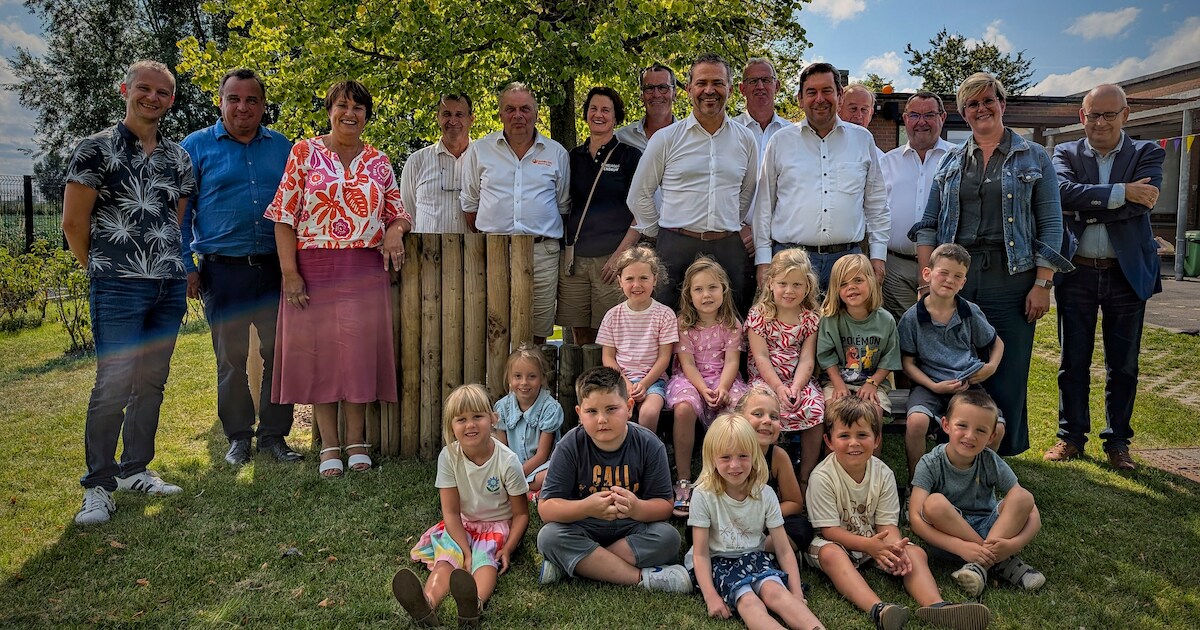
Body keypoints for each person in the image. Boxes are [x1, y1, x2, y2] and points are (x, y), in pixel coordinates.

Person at [910, 72, 1073, 457]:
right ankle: (953, 447)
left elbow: (1051, 223)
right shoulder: (950, 161)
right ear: (963, 113)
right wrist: (927, 279)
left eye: (988, 100)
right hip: (956, 276)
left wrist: (1043, 283)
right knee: (952, 357)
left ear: (1003, 104)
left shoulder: (1034, 156)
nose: (981, 108)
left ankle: (1000, 450)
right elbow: (929, 224)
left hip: (1012, 274)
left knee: (1007, 365)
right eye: (971, 104)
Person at [64, 60, 195, 525]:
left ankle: (135, 468)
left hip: (167, 285)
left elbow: (173, 221)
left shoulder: (178, 158)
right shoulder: (94, 149)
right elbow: (74, 223)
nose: (152, 98)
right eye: (144, 89)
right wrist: (103, 271)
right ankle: (98, 486)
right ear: (125, 89)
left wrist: (165, 270)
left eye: (162, 92)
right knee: (113, 385)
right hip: (116, 285)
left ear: (171, 100)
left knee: (150, 382)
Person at [265, 80, 412, 477]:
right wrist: (290, 273)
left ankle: (357, 441)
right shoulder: (304, 152)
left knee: (358, 356)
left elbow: (398, 212)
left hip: (364, 269)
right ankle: (330, 444)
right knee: (322, 359)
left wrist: (395, 231)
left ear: (367, 115)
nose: (350, 113)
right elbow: (282, 216)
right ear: (329, 109)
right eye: (342, 105)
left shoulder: (379, 161)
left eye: (359, 107)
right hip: (314, 267)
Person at [180, 67, 301, 466]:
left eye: (252, 100)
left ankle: (274, 437)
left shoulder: (283, 147)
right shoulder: (196, 147)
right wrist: (186, 265)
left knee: (279, 355)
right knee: (230, 359)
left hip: (275, 269)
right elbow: (179, 213)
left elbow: (300, 207)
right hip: (221, 270)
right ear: (221, 101)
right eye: (234, 98)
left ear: (263, 106)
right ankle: (238, 438)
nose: (243, 107)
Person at [1046, 83, 1166, 472]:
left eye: (1109, 114)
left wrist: (1089, 205)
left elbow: (1143, 201)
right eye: (1093, 114)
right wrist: (1121, 194)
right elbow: (1062, 194)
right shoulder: (1064, 152)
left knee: (1124, 364)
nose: (1100, 122)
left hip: (1126, 273)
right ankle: (1071, 437)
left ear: (1125, 115)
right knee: (1072, 360)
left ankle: (1118, 442)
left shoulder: (1147, 152)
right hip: (1077, 270)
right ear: (1082, 116)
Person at [806, 397, 991, 630]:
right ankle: (879, 609)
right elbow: (829, 530)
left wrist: (895, 548)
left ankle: (936, 606)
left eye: (862, 435)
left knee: (914, 553)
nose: (854, 443)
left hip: (875, 543)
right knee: (832, 555)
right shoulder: (822, 477)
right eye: (844, 436)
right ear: (829, 441)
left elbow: (887, 526)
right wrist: (869, 546)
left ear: (876, 440)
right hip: (835, 542)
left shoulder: (883, 473)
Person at [536, 366, 691, 593]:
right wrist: (586, 507)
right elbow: (547, 508)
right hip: (584, 526)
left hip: (631, 527)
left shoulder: (649, 445)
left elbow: (664, 506)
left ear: (629, 408)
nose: (602, 419)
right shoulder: (569, 446)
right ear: (579, 413)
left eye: (611, 409)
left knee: (669, 538)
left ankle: (578, 563)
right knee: (548, 537)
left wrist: (636, 508)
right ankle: (643, 578)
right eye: (592, 412)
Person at [628, 53, 758, 311]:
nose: (709, 90)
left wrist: (726, 220)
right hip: (675, 247)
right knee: (670, 328)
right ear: (688, 89)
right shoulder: (666, 139)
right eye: (701, 83)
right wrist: (662, 233)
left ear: (730, 89)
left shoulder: (746, 140)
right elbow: (639, 195)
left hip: (728, 247)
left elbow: (746, 193)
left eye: (718, 83)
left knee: (733, 327)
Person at [394, 384, 530, 628]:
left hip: (496, 526)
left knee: (485, 560)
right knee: (446, 560)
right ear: (451, 427)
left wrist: (508, 548)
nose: (470, 425)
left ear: (493, 418)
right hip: (461, 524)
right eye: (461, 419)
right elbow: (451, 512)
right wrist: (464, 549)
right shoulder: (448, 457)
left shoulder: (508, 461)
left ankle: (473, 605)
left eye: (478, 416)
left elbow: (521, 514)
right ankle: (426, 604)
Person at [753, 62, 888, 293]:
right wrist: (763, 260)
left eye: (827, 91)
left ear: (840, 95)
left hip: (848, 263)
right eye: (811, 92)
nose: (819, 99)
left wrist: (878, 256)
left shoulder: (862, 140)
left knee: (845, 329)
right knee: (792, 329)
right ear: (800, 99)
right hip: (790, 262)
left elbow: (876, 204)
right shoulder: (781, 141)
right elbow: (765, 205)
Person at [687, 414, 825, 630]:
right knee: (749, 603)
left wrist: (796, 591)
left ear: (755, 455)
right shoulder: (703, 495)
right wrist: (710, 596)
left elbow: (783, 549)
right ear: (712, 457)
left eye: (743, 456)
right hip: (718, 561)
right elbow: (701, 553)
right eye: (725, 457)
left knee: (777, 592)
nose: (735, 465)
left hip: (756, 556)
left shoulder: (766, 494)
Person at [460, 82, 570, 345]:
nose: (518, 115)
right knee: (493, 325)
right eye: (510, 109)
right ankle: (496, 385)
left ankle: (535, 384)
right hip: (494, 251)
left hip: (542, 254)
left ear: (536, 113)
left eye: (525, 109)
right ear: (500, 114)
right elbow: (470, 205)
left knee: (538, 329)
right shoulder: (480, 150)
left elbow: (563, 205)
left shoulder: (556, 153)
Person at [908, 390, 1044, 600]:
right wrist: (960, 546)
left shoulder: (989, 460)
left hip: (992, 529)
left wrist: (1014, 544)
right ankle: (1001, 563)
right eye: (962, 426)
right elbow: (916, 519)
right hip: (950, 536)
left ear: (991, 437)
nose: (970, 436)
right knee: (933, 503)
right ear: (946, 425)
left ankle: (980, 565)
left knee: (1023, 497)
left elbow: (1031, 510)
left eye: (980, 430)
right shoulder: (930, 463)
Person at [899, 243, 1005, 485]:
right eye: (943, 273)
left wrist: (991, 367)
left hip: (967, 385)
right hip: (929, 386)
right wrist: (934, 387)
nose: (949, 280)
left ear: (963, 282)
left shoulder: (970, 312)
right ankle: (918, 483)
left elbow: (997, 343)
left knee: (995, 427)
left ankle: (973, 483)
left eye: (957, 276)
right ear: (927, 274)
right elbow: (907, 362)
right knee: (916, 423)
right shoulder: (912, 318)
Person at [665, 258, 749, 517]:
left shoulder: (732, 324)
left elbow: (733, 361)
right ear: (689, 294)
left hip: (724, 378)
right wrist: (703, 389)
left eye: (712, 288)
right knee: (683, 408)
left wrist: (723, 387)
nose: (706, 295)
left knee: (738, 408)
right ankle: (683, 479)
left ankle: (728, 477)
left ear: (724, 289)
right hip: (690, 380)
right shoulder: (683, 324)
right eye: (698, 289)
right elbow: (687, 363)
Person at [558, 86, 643, 345]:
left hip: (611, 260)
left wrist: (619, 258)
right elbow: (563, 204)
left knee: (609, 336)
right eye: (593, 109)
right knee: (579, 333)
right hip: (575, 261)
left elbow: (642, 214)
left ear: (616, 117)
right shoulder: (572, 157)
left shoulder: (630, 157)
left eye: (606, 110)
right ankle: (581, 384)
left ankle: (607, 386)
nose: (599, 114)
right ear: (585, 115)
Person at [746, 249, 825, 492]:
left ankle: (805, 478)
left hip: (797, 380)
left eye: (797, 284)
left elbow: (806, 359)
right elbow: (760, 357)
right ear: (770, 284)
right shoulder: (759, 316)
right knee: (760, 410)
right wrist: (779, 387)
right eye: (782, 284)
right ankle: (759, 473)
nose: (789, 291)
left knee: (814, 408)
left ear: (808, 286)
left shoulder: (810, 317)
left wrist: (796, 388)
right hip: (765, 379)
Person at [879, 92, 955, 321]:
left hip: (945, 269)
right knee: (901, 334)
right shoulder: (887, 162)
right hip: (896, 268)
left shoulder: (958, 158)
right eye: (914, 115)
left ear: (942, 117)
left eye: (929, 114)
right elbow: (875, 214)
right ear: (904, 118)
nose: (921, 121)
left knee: (940, 332)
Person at [816, 254, 901, 452]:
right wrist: (838, 384)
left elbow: (889, 358)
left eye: (858, 280)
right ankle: (833, 466)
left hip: (873, 382)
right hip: (837, 381)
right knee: (834, 413)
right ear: (836, 290)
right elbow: (826, 356)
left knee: (874, 413)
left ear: (872, 282)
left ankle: (873, 466)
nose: (851, 287)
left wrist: (872, 384)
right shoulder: (831, 319)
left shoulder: (885, 320)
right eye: (844, 283)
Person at [596, 245, 678, 433]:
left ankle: (645, 453)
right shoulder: (612, 316)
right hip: (619, 380)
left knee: (648, 413)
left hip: (654, 381)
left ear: (655, 280)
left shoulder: (665, 315)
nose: (637, 285)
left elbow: (664, 358)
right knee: (614, 411)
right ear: (619, 281)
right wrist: (625, 383)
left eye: (643, 278)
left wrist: (644, 384)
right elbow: (608, 357)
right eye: (630, 279)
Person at [736, 384, 815, 555]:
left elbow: (795, 503)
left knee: (801, 528)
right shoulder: (726, 452)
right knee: (698, 529)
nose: (767, 421)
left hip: (766, 522)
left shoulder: (778, 456)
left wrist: (763, 518)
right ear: (739, 418)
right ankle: (763, 552)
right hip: (731, 521)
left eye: (774, 416)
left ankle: (754, 550)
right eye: (758, 414)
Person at [400, 93, 475, 234]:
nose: (453, 121)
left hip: (474, 254)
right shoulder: (416, 162)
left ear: (471, 119)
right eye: (447, 114)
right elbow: (407, 216)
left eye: (459, 115)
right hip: (429, 253)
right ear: (438, 117)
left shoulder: (483, 161)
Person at [494, 344, 564, 493]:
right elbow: (502, 449)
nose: (524, 382)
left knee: (552, 475)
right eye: (518, 376)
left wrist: (517, 475)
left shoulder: (550, 408)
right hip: (510, 467)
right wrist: (507, 472)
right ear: (509, 379)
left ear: (542, 378)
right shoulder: (502, 407)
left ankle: (519, 490)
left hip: (541, 467)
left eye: (532, 376)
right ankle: (525, 491)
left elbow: (542, 455)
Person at [734, 57, 792, 159]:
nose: (760, 86)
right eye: (753, 81)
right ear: (742, 89)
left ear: (777, 86)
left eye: (766, 80)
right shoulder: (730, 132)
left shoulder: (792, 133)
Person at [615, 63, 679, 151]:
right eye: (649, 88)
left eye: (663, 87)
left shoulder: (689, 139)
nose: (656, 94)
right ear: (641, 95)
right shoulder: (621, 139)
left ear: (675, 93)